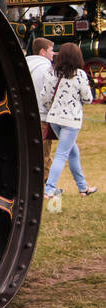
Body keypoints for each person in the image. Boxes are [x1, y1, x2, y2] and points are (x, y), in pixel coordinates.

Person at [40, 44, 97, 199]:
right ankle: (50, 189)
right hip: (71, 121)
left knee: (73, 153)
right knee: (62, 155)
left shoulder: (52, 73)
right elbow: (87, 98)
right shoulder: (79, 75)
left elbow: (44, 97)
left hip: (54, 119)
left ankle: (83, 187)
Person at [25, 37, 56, 174]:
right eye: (51, 50)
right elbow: (48, 94)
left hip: (27, 114)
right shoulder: (46, 68)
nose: (53, 53)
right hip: (42, 115)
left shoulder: (26, 65)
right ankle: (45, 185)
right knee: (44, 153)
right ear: (43, 52)